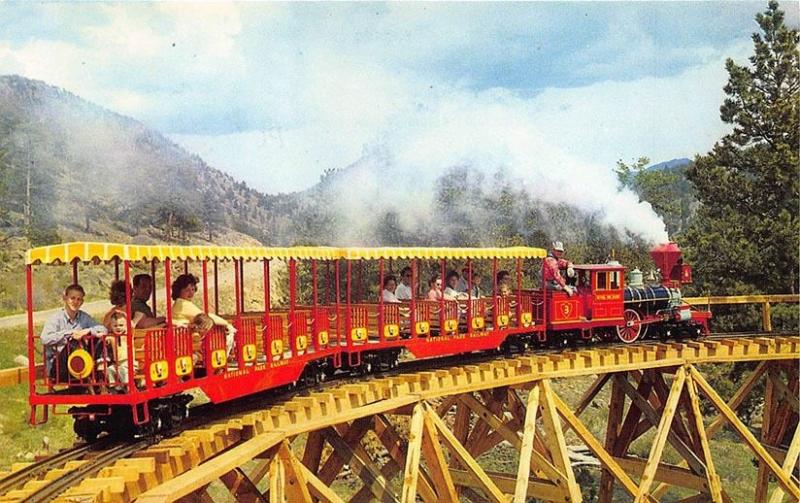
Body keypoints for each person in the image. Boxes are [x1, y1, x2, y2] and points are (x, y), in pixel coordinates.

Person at [40, 284, 108, 381]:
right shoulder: (55, 319)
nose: (75, 302)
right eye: (72, 298)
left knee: (97, 337)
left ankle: (100, 375)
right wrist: (69, 333)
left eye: (79, 299)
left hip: (79, 365)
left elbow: (103, 329)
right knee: (73, 342)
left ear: (82, 302)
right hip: (59, 368)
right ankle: (95, 375)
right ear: (65, 298)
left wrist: (87, 331)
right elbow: (44, 339)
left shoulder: (83, 317)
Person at [170, 274, 235, 355]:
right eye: (187, 290)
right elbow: (204, 316)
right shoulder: (182, 304)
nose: (191, 293)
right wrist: (227, 324)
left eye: (193, 289)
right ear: (179, 291)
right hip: (181, 342)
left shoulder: (182, 303)